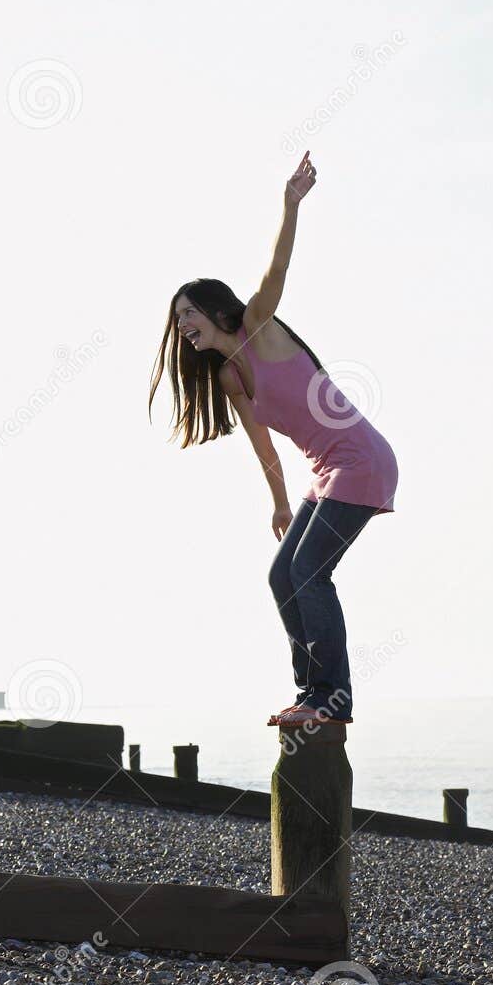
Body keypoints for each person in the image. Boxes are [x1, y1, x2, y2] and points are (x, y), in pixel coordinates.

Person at [148, 152, 398, 726]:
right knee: (282, 573)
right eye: (177, 319)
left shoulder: (258, 324)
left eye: (189, 313)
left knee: (311, 572)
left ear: (215, 310)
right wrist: (280, 502)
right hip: (326, 472)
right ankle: (311, 693)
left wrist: (290, 206)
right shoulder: (229, 375)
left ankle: (333, 700)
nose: (183, 325)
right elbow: (264, 447)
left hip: (361, 460)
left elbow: (277, 270)